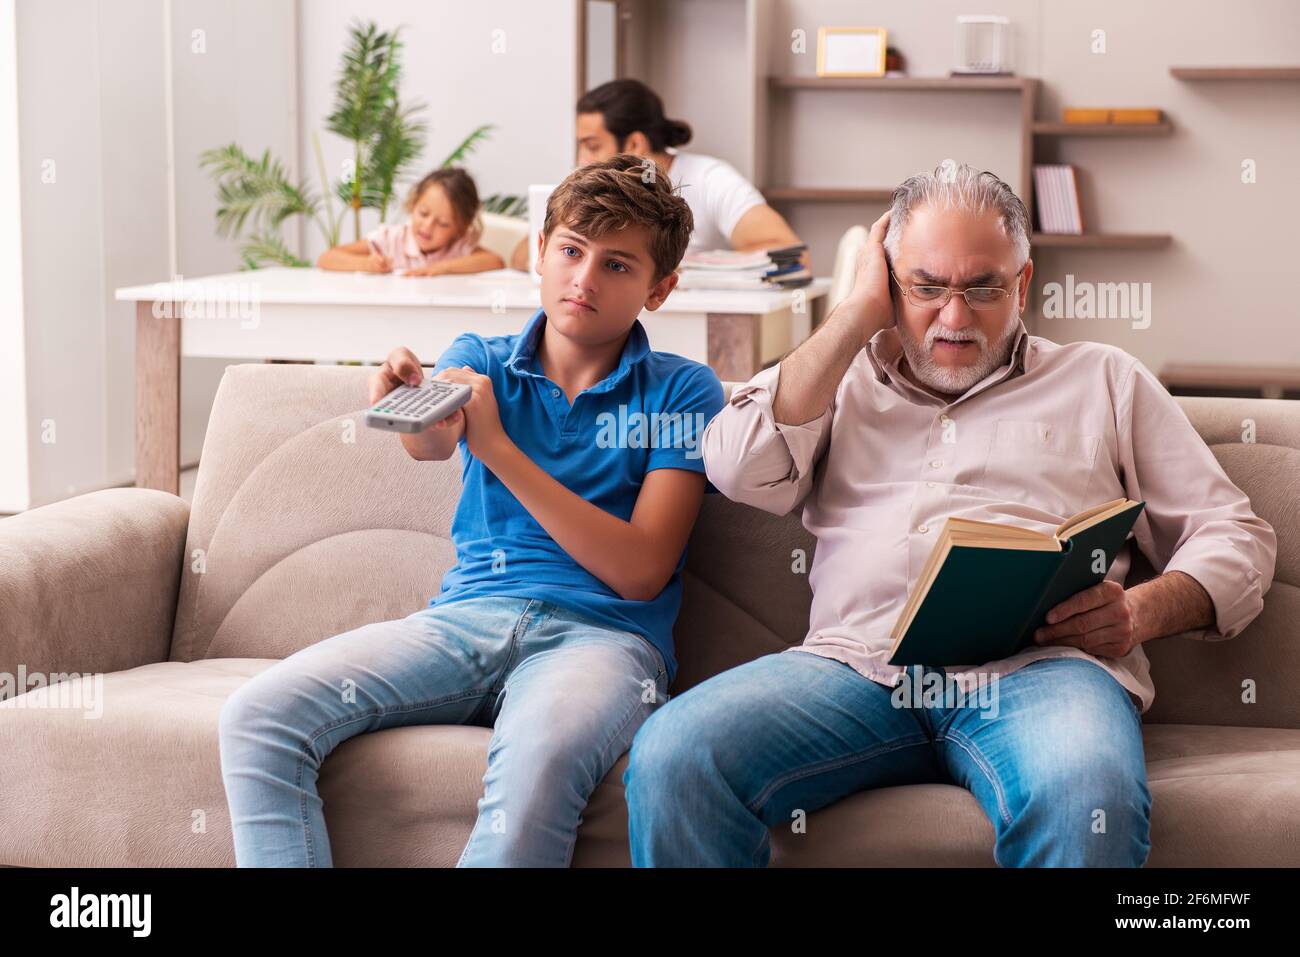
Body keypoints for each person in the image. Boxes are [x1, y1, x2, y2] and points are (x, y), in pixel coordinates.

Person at [623, 162, 1277, 867]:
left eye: (983, 287)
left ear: (1022, 285)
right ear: (887, 281)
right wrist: (852, 315)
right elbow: (734, 464)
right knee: (673, 755)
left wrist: (1142, 612)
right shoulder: (837, 379)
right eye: (925, 286)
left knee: (1087, 793)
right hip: (854, 670)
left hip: (1043, 671)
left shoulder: (1103, 379)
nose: (955, 318)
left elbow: (1233, 536)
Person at [218, 155, 725, 867]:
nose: (584, 278)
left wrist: (502, 449)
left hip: (603, 640)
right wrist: (398, 402)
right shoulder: (477, 358)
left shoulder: (684, 392)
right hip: (467, 618)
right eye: (572, 251)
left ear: (659, 289)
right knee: (257, 715)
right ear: (540, 253)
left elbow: (641, 570)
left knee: (534, 777)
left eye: (617, 266)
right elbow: (429, 443)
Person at [510, 78, 801, 269]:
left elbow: (790, 251)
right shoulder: (587, 186)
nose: (581, 159)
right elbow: (523, 257)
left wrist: (688, 265)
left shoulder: (711, 179)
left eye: (593, 146)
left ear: (635, 143)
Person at [317, 167, 504, 276]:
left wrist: (439, 268)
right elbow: (327, 258)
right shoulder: (392, 238)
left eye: (443, 223)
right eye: (423, 213)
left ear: (460, 229)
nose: (428, 226)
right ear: (413, 204)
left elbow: (495, 261)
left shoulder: (459, 247)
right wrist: (367, 264)